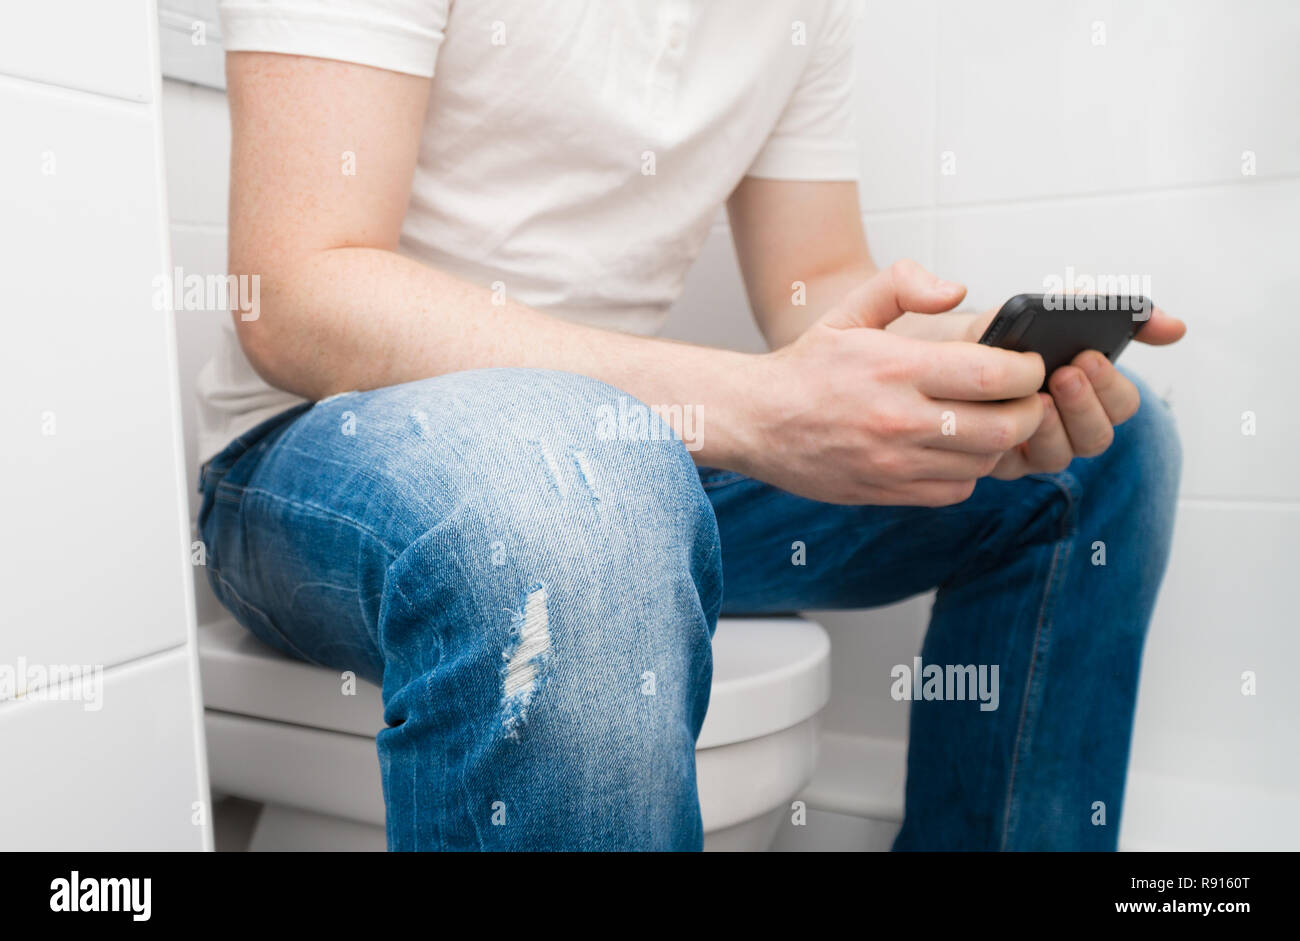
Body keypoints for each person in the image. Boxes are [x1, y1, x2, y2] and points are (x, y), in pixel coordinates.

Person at [196, 0, 1184, 850]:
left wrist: (952, 368)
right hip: (333, 454)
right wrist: (744, 405)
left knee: (1099, 456)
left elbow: (817, 278)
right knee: (571, 494)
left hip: (632, 447)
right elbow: (297, 292)